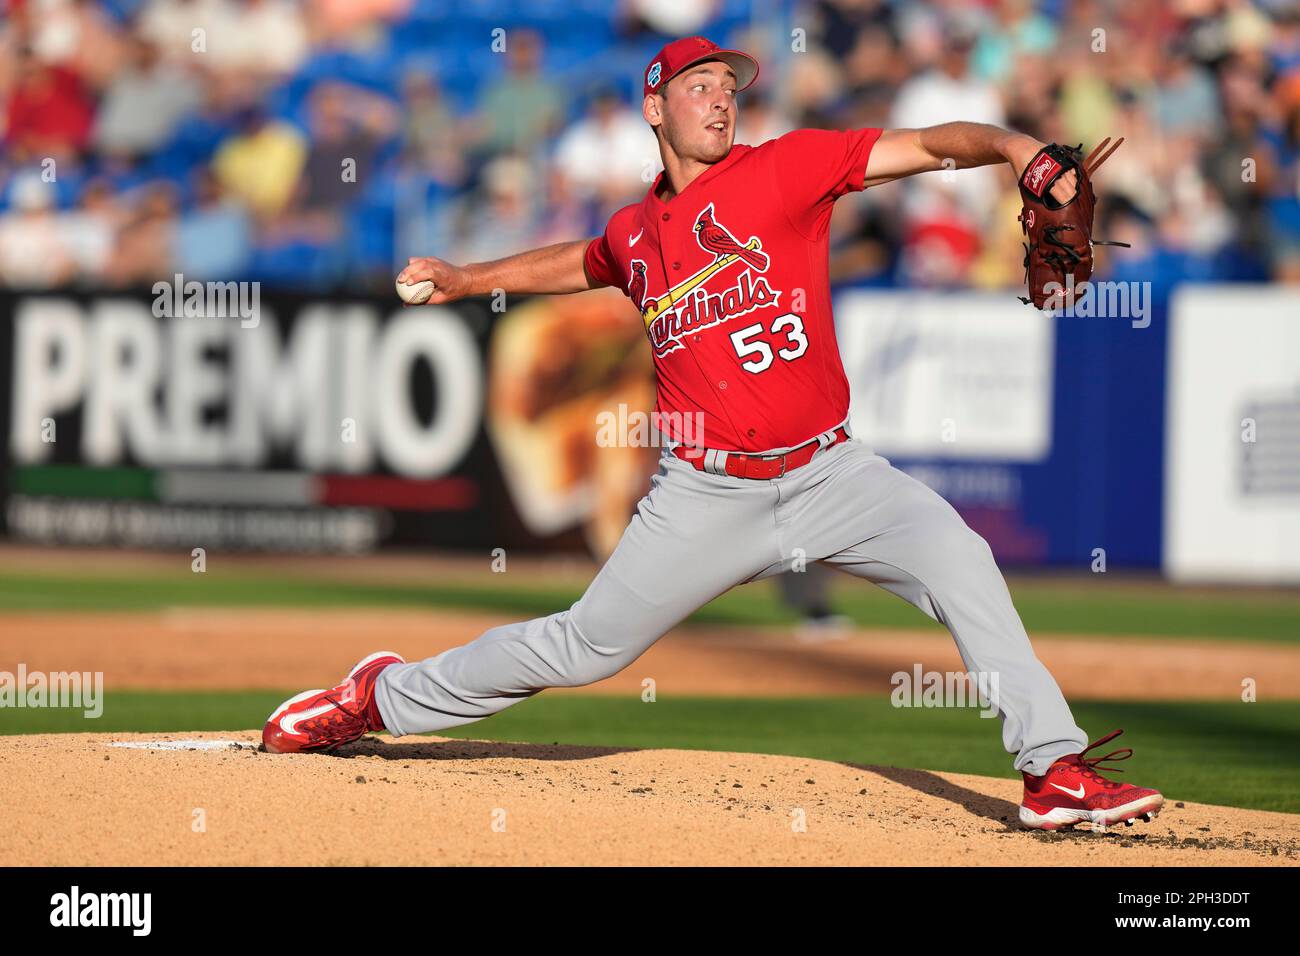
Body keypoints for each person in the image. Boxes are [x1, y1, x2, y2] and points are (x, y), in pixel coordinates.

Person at [264, 36, 1164, 833]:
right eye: (700, 84)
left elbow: (933, 145)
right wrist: (468, 277)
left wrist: (1014, 148)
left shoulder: (789, 168)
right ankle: (376, 694)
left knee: (963, 560)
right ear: (654, 107)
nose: (723, 97)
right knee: (583, 648)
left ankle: (1052, 769)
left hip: (832, 473)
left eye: (730, 85)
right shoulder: (637, 230)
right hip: (707, 493)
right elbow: (581, 262)